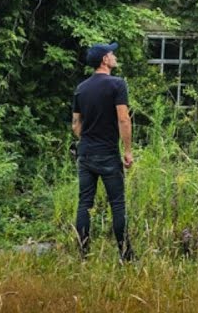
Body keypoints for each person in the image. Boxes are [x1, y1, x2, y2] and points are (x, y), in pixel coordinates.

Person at [72, 41, 134, 260]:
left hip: (86, 153)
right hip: (108, 153)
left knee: (84, 203)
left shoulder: (81, 88)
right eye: (111, 54)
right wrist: (127, 150)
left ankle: (83, 254)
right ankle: (125, 255)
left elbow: (76, 125)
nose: (114, 56)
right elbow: (123, 119)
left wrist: (88, 139)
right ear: (105, 60)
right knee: (117, 204)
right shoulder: (117, 84)